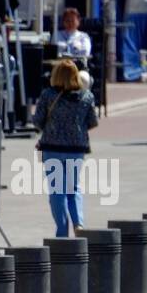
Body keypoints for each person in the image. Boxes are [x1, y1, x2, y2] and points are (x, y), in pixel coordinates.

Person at [33, 59, 98, 238]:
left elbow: (37, 121)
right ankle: (79, 223)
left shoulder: (48, 95)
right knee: (73, 188)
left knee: (57, 191)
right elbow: (93, 122)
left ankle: (62, 231)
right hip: (76, 148)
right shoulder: (86, 96)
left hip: (52, 148)